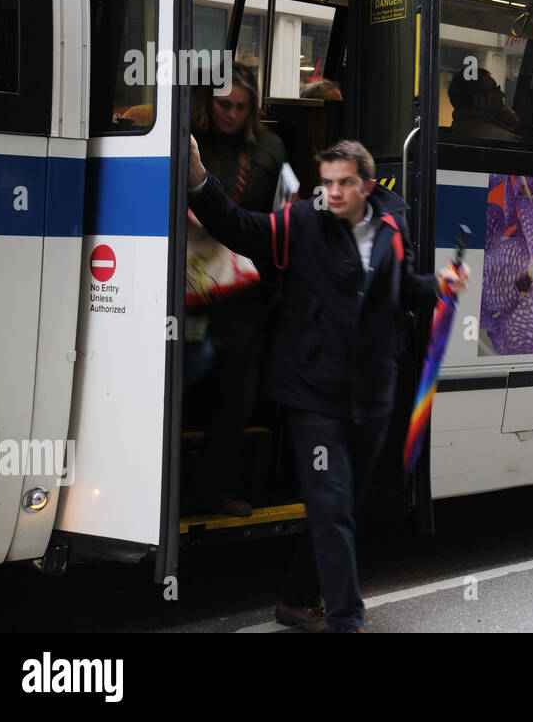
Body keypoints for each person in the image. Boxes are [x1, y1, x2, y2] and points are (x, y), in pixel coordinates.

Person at [187, 136, 467, 633]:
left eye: (344, 183)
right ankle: (346, 619)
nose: (333, 192)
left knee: (339, 509)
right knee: (333, 507)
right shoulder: (300, 224)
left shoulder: (390, 227)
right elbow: (238, 227)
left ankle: (295, 600)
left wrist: (439, 285)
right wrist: (198, 179)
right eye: (327, 183)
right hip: (312, 395)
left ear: (365, 185)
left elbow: (401, 288)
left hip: (371, 395)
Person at [188, 65, 288, 517]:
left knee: (239, 394)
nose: (231, 113)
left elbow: (283, 209)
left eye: (241, 106)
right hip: (191, 280)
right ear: (208, 101)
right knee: (191, 370)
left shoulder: (269, 148)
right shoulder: (186, 136)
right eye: (224, 103)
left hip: (245, 289)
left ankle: (218, 488)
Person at [447, 67, 520, 140]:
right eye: (495, 89)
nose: (502, 94)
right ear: (479, 101)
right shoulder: (507, 140)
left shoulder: (457, 131)